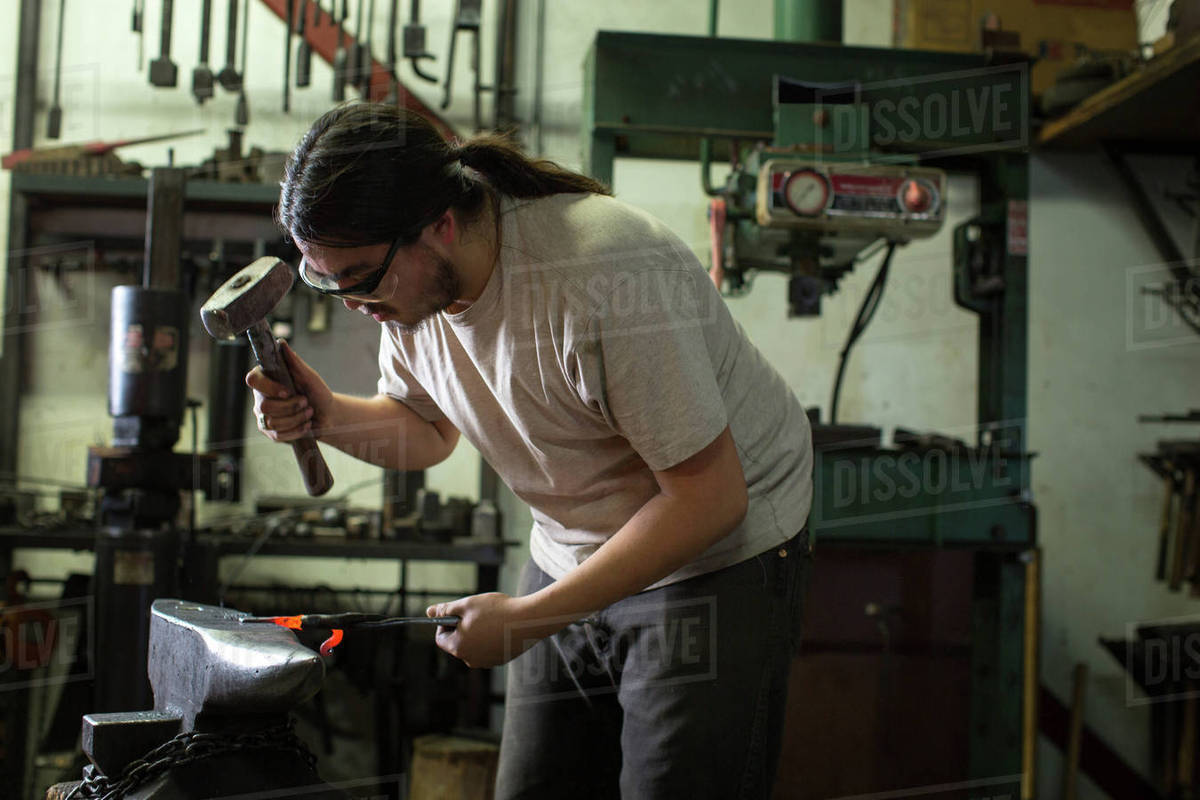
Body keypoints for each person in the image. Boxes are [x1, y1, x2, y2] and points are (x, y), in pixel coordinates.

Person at [248, 102, 814, 799]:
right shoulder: (411, 288)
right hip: (572, 544)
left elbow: (710, 496)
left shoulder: (601, 274)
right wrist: (327, 416)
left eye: (359, 278)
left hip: (716, 552)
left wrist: (534, 618)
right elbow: (426, 430)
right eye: (325, 280)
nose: (350, 303)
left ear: (440, 227)